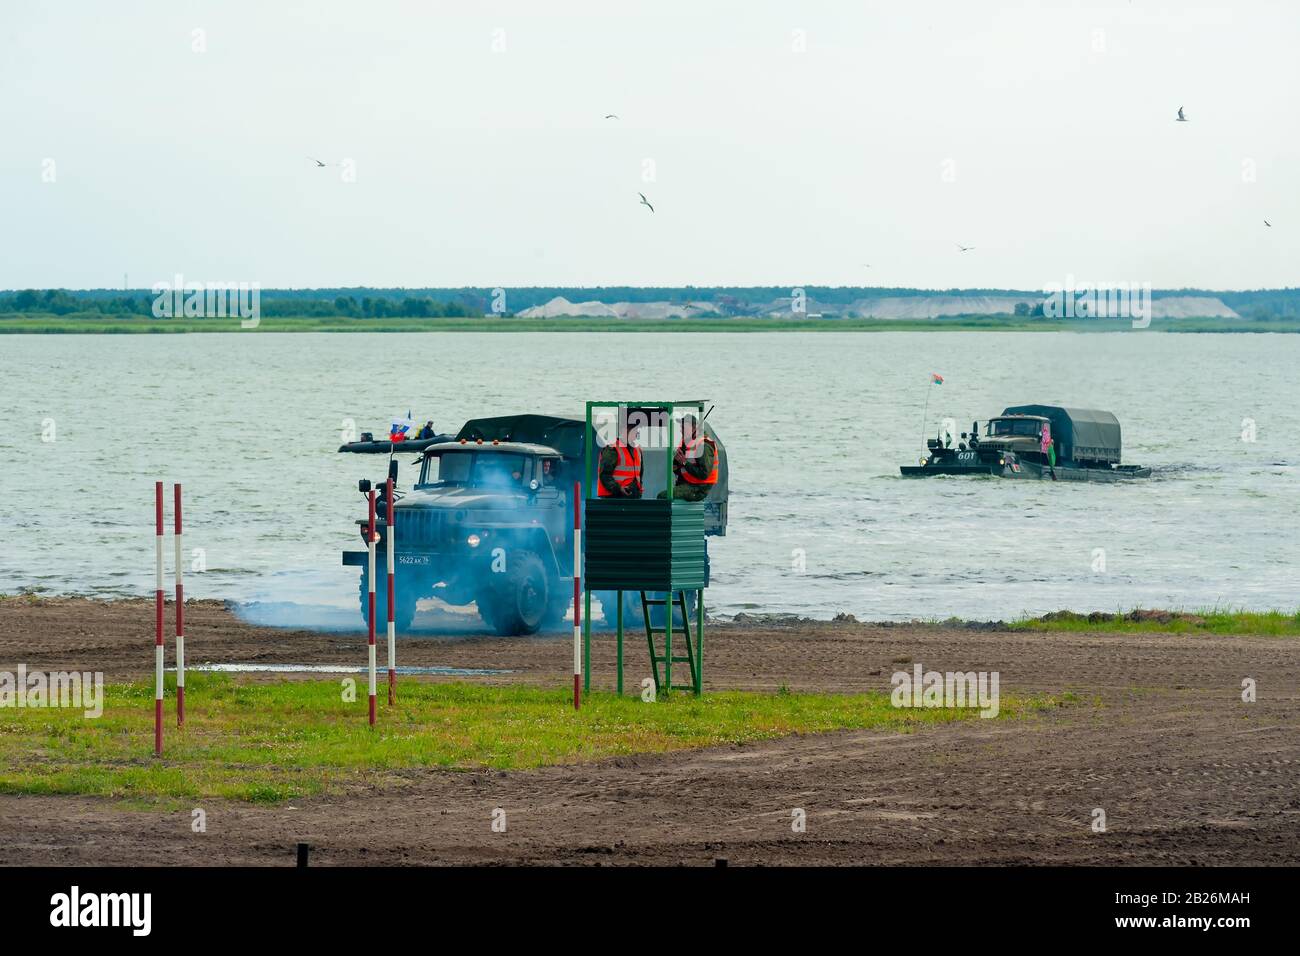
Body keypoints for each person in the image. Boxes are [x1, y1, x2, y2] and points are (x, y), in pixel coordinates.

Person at [660, 413, 717, 501]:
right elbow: (675, 469)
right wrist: (676, 460)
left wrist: (684, 462)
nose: (680, 430)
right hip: (687, 483)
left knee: (662, 496)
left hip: (698, 488)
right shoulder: (686, 444)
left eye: (683, 428)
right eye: (681, 427)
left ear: (694, 428)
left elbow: (703, 474)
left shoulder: (704, 446)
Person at [597, 418, 643, 498]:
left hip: (633, 497)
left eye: (636, 431)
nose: (636, 434)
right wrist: (619, 489)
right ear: (624, 431)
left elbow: (639, 475)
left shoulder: (638, 449)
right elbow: (605, 475)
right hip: (614, 498)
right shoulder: (613, 448)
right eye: (634, 431)